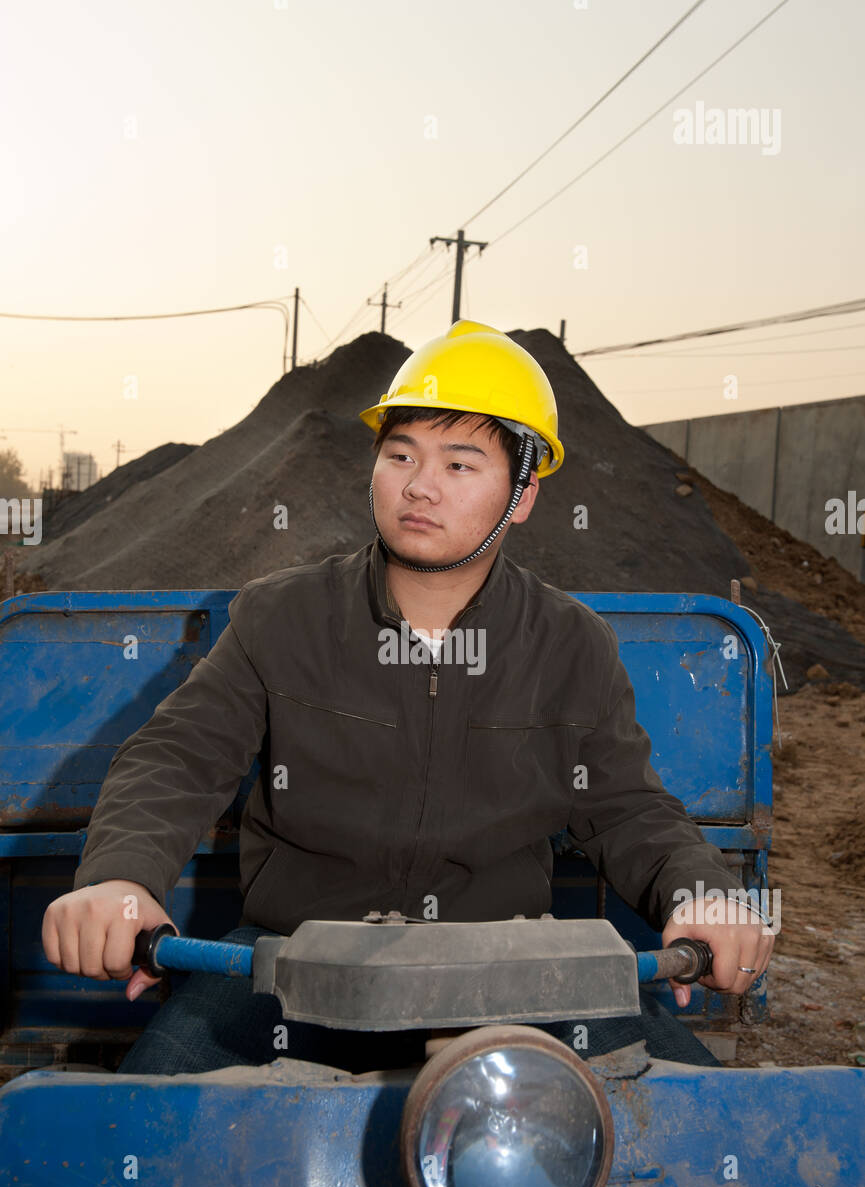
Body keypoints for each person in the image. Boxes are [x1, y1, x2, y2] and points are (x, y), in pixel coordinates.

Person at [41, 320, 773, 1075]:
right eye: (399, 456)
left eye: (460, 464)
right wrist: (119, 879)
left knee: (691, 1135)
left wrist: (701, 894)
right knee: (151, 1140)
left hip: (510, 972)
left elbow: (627, 807)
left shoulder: (569, 643)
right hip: (290, 967)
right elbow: (178, 758)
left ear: (521, 497)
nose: (419, 486)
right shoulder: (281, 616)